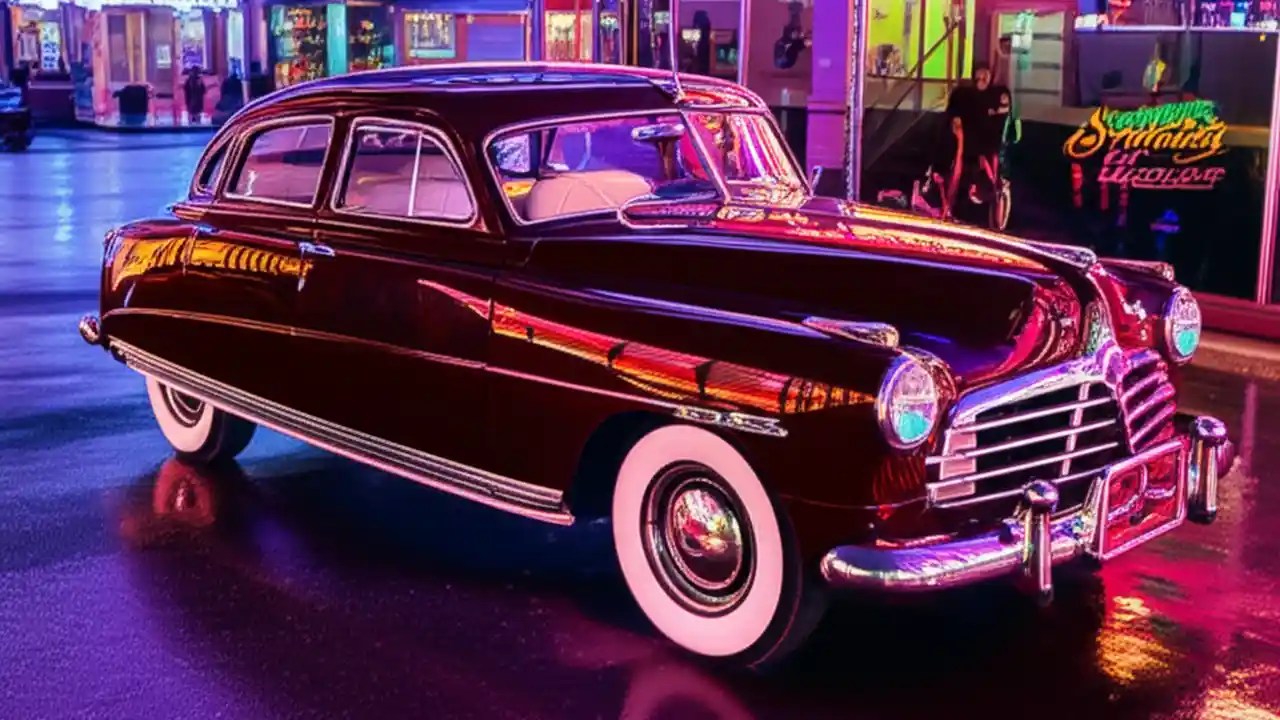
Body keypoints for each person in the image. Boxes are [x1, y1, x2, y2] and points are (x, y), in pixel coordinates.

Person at [940, 62, 1011, 213]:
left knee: (991, 159)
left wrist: (997, 111)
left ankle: (995, 195)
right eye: (980, 74)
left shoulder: (996, 94)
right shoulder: (963, 95)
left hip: (989, 141)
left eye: (986, 74)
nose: (982, 78)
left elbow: (1005, 110)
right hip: (967, 140)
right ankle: (948, 204)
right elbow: (954, 117)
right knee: (958, 163)